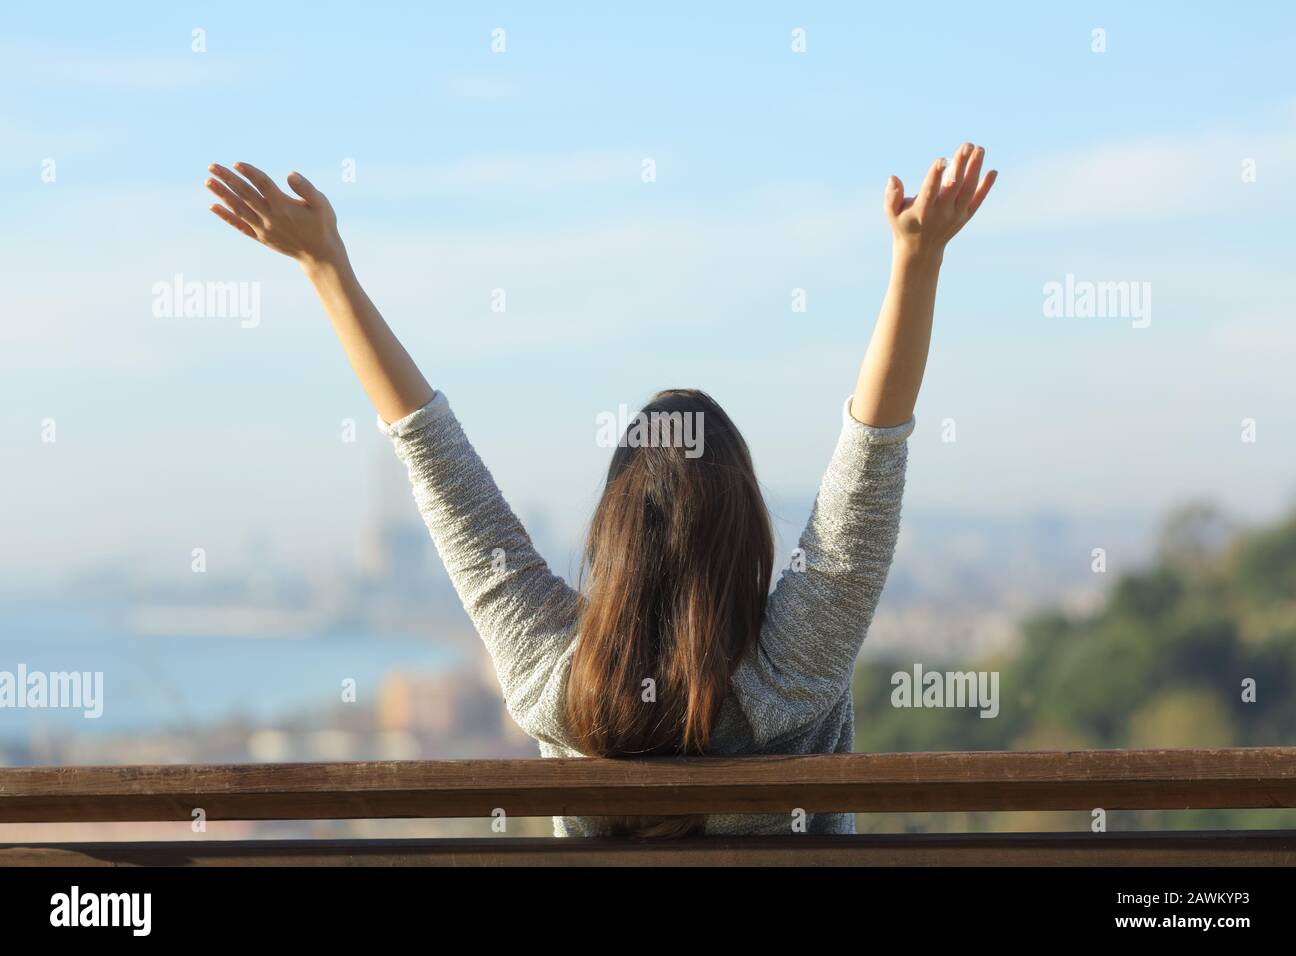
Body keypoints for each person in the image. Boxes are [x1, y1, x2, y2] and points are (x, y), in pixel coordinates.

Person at [204, 144, 997, 837]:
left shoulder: (556, 678)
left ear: (613, 532)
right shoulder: (788, 676)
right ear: (744, 526)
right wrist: (915, 262)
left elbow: (439, 466)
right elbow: (868, 469)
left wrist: (325, 267)